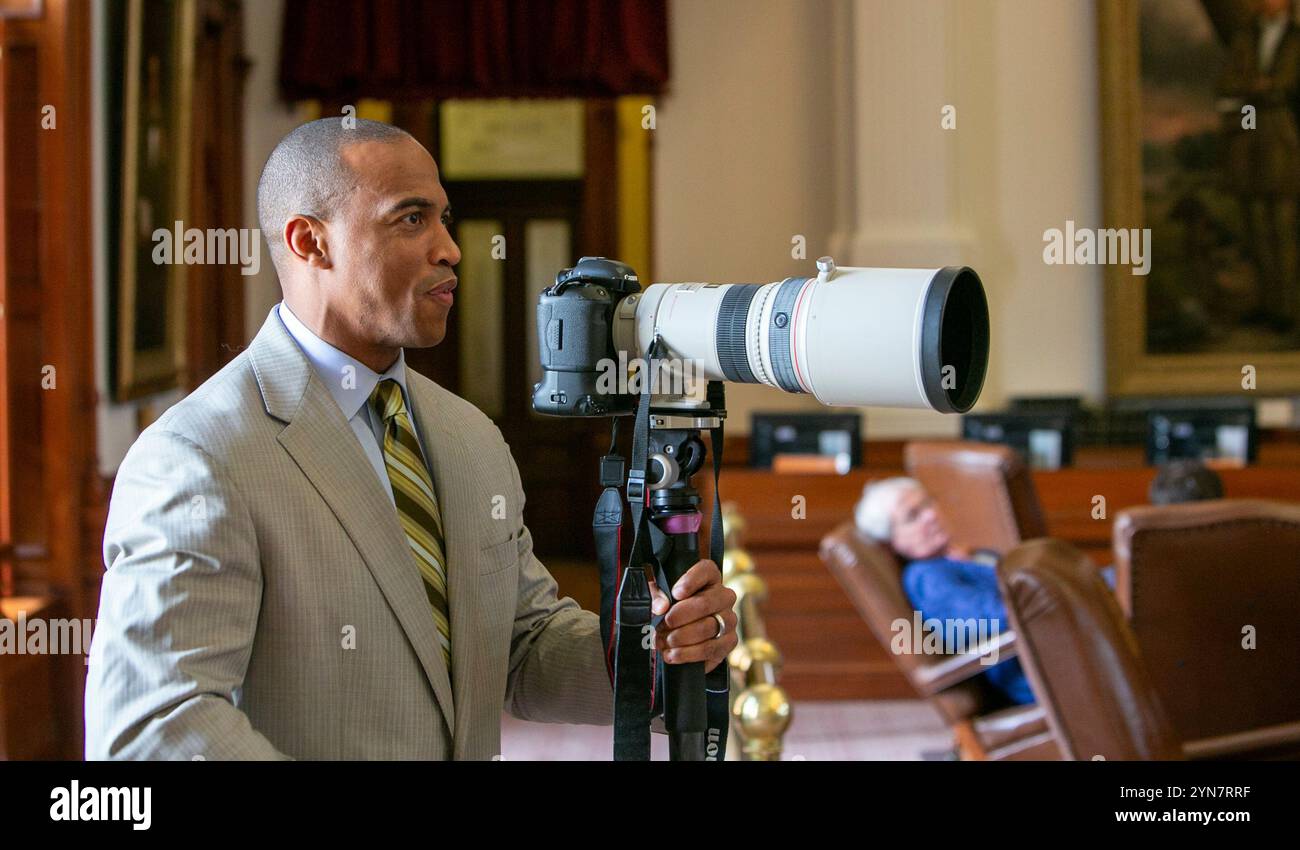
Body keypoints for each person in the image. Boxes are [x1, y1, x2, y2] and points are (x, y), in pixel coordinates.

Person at [85, 118, 738, 760]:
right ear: (310, 242)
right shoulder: (198, 458)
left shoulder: (469, 436)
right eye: (410, 218)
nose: (450, 248)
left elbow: (521, 645)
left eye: (444, 218)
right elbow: (156, 727)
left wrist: (654, 646)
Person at [855, 477, 1035, 705]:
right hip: (1033, 672)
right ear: (891, 542)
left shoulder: (951, 560)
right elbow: (989, 620)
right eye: (913, 516)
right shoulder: (928, 577)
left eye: (928, 504)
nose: (930, 515)